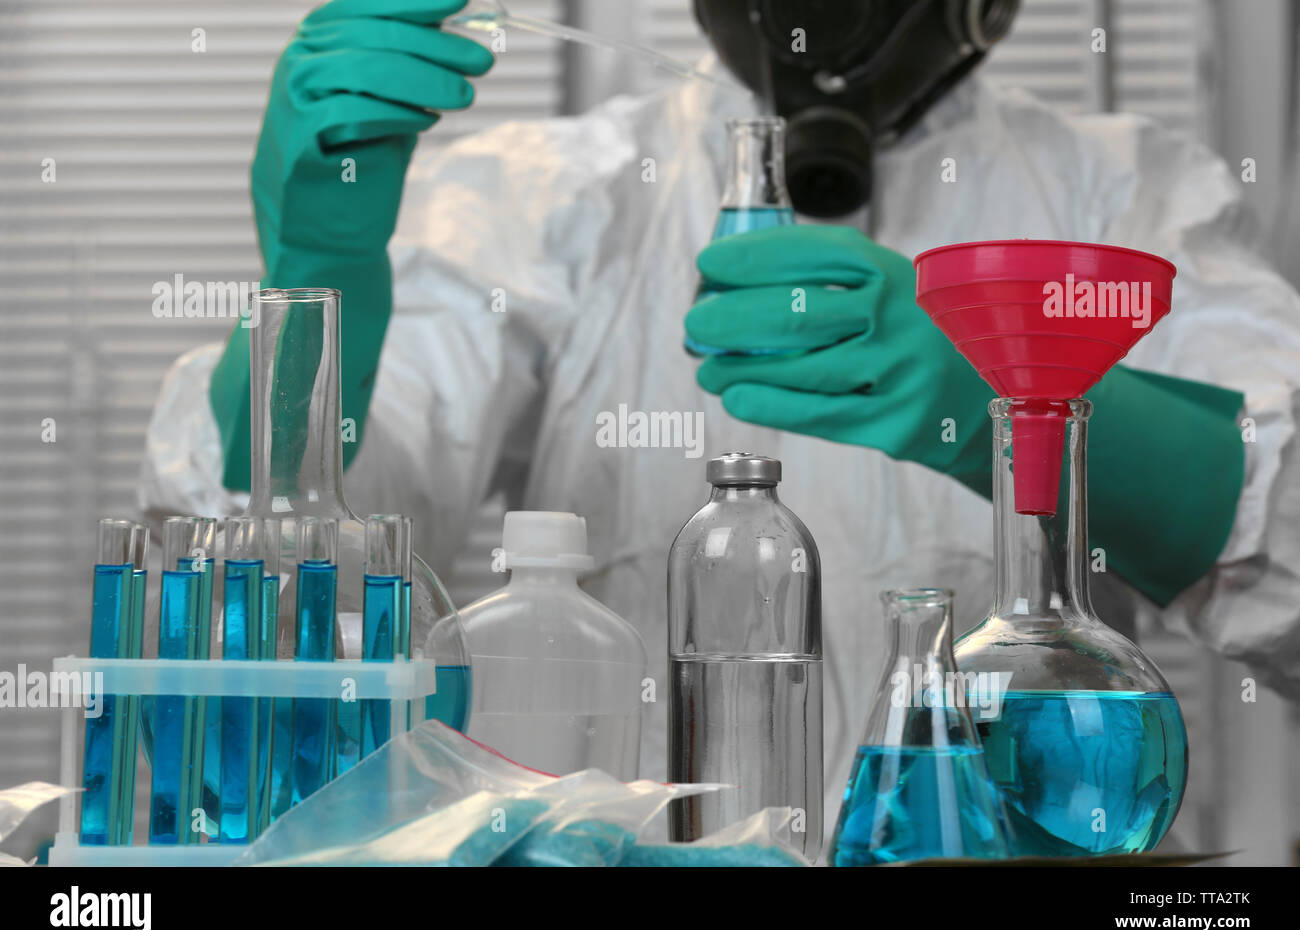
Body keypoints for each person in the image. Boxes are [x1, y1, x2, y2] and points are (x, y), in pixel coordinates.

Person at [140, 0, 1300, 844]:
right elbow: (303, 592)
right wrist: (319, 276)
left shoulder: (1122, 197)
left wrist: (999, 399)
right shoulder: (548, 196)